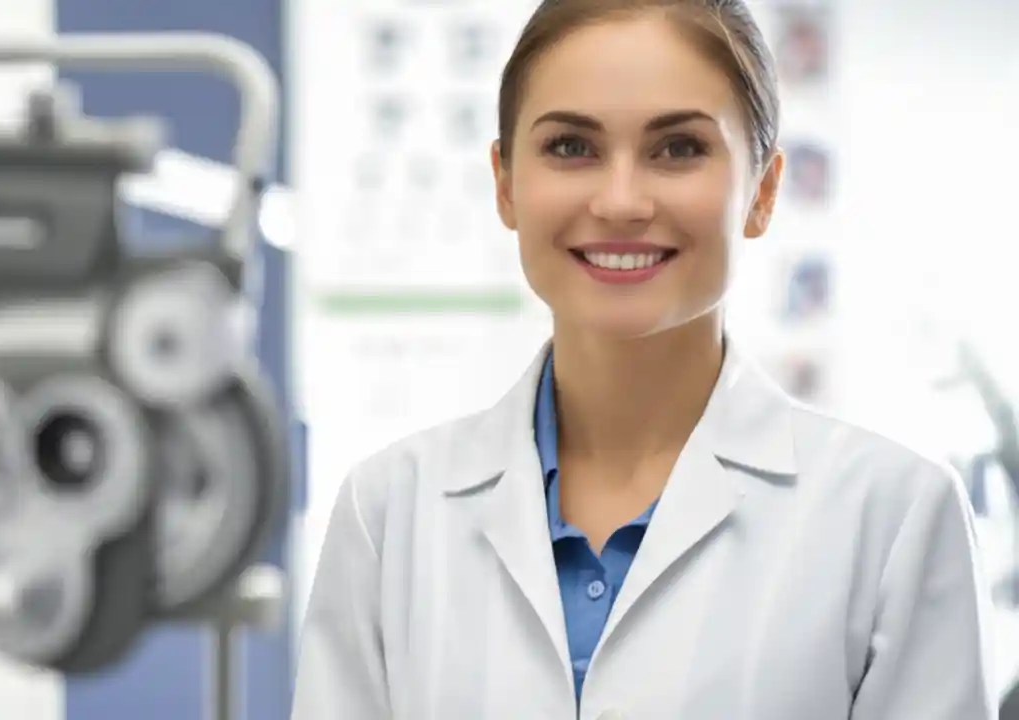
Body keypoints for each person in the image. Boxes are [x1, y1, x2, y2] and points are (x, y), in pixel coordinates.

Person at [291, 1, 996, 718]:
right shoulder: (390, 514)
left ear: (764, 189)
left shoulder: (894, 518)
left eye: (678, 148)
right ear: (504, 182)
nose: (621, 201)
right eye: (571, 147)